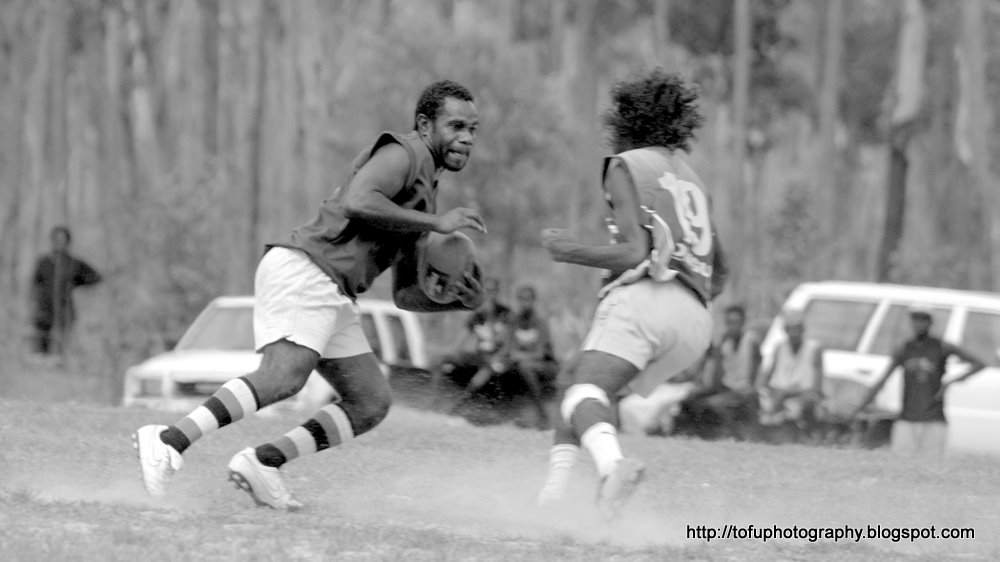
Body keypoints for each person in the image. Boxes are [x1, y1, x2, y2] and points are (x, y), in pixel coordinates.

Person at [133, 80, 486, 510]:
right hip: (307, 268)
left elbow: (406, 295)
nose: (466, 137)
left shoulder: (426, 198)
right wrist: (436, 226)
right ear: (425, 123)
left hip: (334, 290)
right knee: (285, 376)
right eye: (456, 125)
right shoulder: (405, 153)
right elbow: (358, 199)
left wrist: (458, 302)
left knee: (370, 401)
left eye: (472, 128)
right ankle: (168, 440)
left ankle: (263, 463)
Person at [534, 69, 728, 520]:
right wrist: (689, 300)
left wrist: (568, 250)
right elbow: (723, 268)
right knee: (579, 382)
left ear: (625, 119)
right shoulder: (692, 180)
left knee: (583, 389)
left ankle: (613, 468)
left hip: (646, 303)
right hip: (695, 322)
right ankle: (555, 499)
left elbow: (634, 252)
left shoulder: (629, 164)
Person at [848, 305, 985, 460]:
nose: (919, 324)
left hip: (934, 418)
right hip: (907, 418)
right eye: (916, 319)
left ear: (930, 322)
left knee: (931, 464)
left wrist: (950, 383)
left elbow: (979, 364)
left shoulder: (941, 347)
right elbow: (883, 380)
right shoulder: (904, 349)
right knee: (902, 462)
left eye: (924, 319)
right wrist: (859, 407)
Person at [427, 276, 510, 409]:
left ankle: (460, 402)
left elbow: (506, 341)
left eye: (492, 291)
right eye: (487, 291)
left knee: (488, 368)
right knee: (439, 359)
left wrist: (490, 316)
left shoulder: (505, 313)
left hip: (494, 357)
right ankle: (434, 398)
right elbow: (464, 335)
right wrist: (453, 353)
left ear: (497, 292)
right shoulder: (478, 314)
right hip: (478, 354)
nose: (489, 294)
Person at [685, 304, 762, 438]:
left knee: (713, 405)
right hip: (728, 389)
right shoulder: (725, 341)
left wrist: (751, 389)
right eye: (729, 322)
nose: (732, 326)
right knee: (692, 399)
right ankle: (697, 434)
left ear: (743, 322)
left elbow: (757, 371)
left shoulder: (752, 340)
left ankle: (732, 435)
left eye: (736, 322)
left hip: (744, 391)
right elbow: (718, 371)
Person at [494, 283, 559, 429]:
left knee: (524, 367)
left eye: (528, 299)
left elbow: (539, 354)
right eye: (521, 299)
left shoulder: (540, 322)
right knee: (500, 370)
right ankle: (506, 414)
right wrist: (497, 360)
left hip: (546, 366)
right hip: (523, 363)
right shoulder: (514, 321)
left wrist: (518, 356)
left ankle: (543, 415)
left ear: (533, 300)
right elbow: (510, 347)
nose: (525, 303)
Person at [30, 226, 102, 355]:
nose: (59, 242)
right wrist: (35, 307)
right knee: (41, 351)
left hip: (64, 312)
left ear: (68, 242)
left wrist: (77, 283)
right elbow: (35, 285)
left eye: (63, 239)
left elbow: (95, 277)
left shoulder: (73, 263)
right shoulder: (44, 262)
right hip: (44, 313)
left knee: (62, 349)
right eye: (56, 239)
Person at [757, 310, 825, 437]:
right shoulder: (780, 348)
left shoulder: (814, 349)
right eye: (790, 329)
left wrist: (794, 392)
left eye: (797, 329)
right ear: (785, 330)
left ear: (802, 329)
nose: (794, 333)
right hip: (779, 393)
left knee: (806, 403)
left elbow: (817, 385)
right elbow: (769, 376)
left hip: (804, 394)